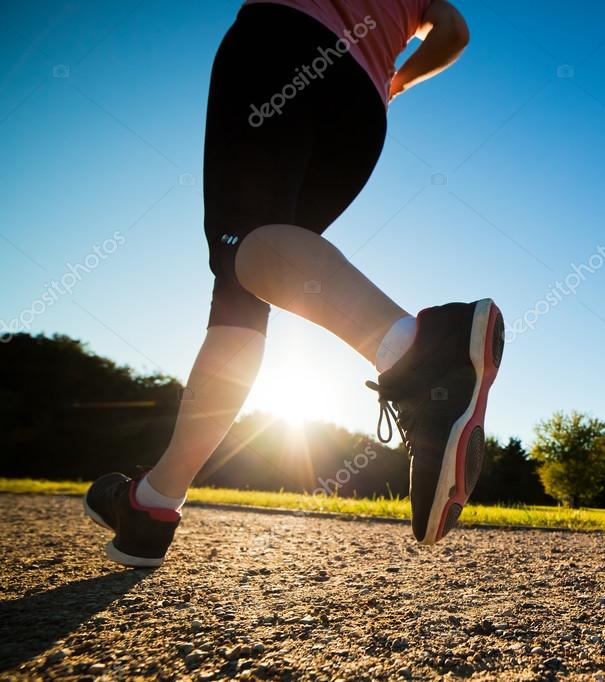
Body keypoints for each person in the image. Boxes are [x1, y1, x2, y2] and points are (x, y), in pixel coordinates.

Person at [83, 0, 503, 568]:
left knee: (241, 239)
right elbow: (453, 32)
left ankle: (419, 351)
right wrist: (395, 78)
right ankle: (154, 501)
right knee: (246, 282)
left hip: (285, 40)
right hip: (362, 106)